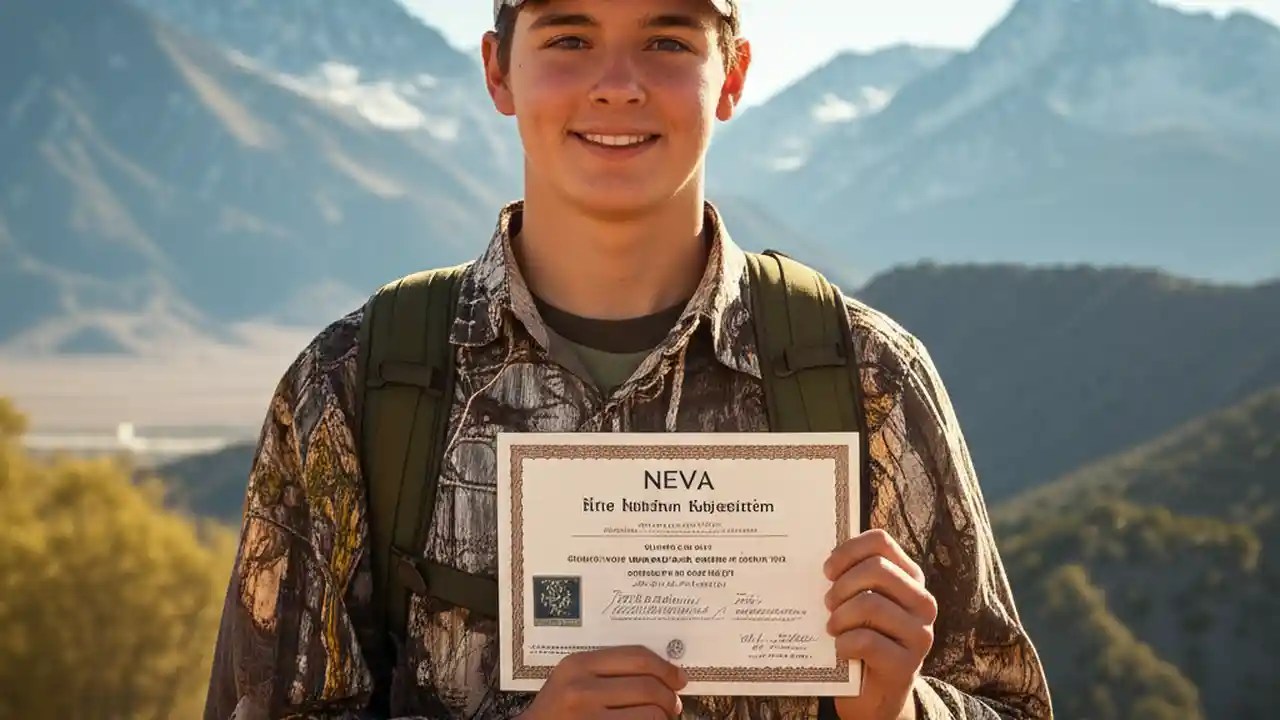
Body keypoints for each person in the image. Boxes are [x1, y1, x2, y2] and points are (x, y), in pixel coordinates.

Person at [203, 0, 1053, 718]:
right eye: (570, 39)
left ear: (734, 74)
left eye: (668, 41)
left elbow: (1006, 704)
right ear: (499, 72)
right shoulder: (356, 382)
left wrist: (901, 710)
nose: (618, 82)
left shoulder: (868, 379)